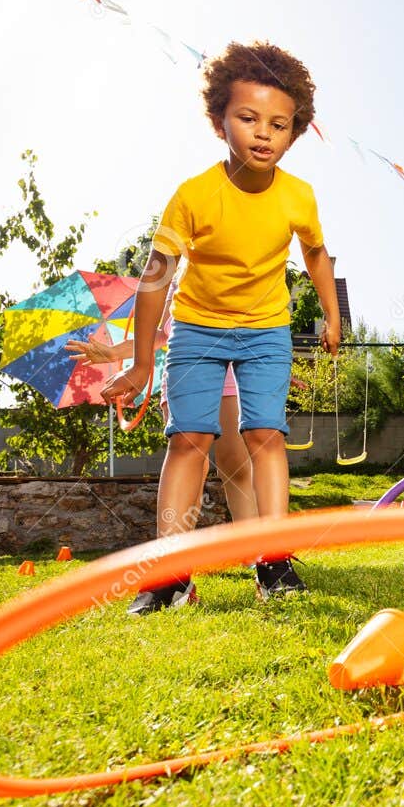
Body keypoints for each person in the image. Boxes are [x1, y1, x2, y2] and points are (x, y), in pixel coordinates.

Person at [101, 40, 341, 612]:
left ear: (294, 132)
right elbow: (156, 277)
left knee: (266, 437)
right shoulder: (193, 196)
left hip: (266, 330)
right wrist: (141, 362)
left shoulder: (299, 197)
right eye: (248, 118)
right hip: (197, 329)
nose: (263, 133)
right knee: (188, 441)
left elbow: (315, 253)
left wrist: (331, 314)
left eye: (278, 124)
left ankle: (273, 562)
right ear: (219, 120)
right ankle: (171, 574)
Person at [67, 283, 258, 525]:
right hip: (184, 372)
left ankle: (257, 544)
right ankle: (176, 544)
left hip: (231, 368)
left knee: (236, 465)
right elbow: (161, 333)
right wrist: (113, 353)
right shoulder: (180, 277)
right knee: (190, 464)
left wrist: (269, 366)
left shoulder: (242, 273)